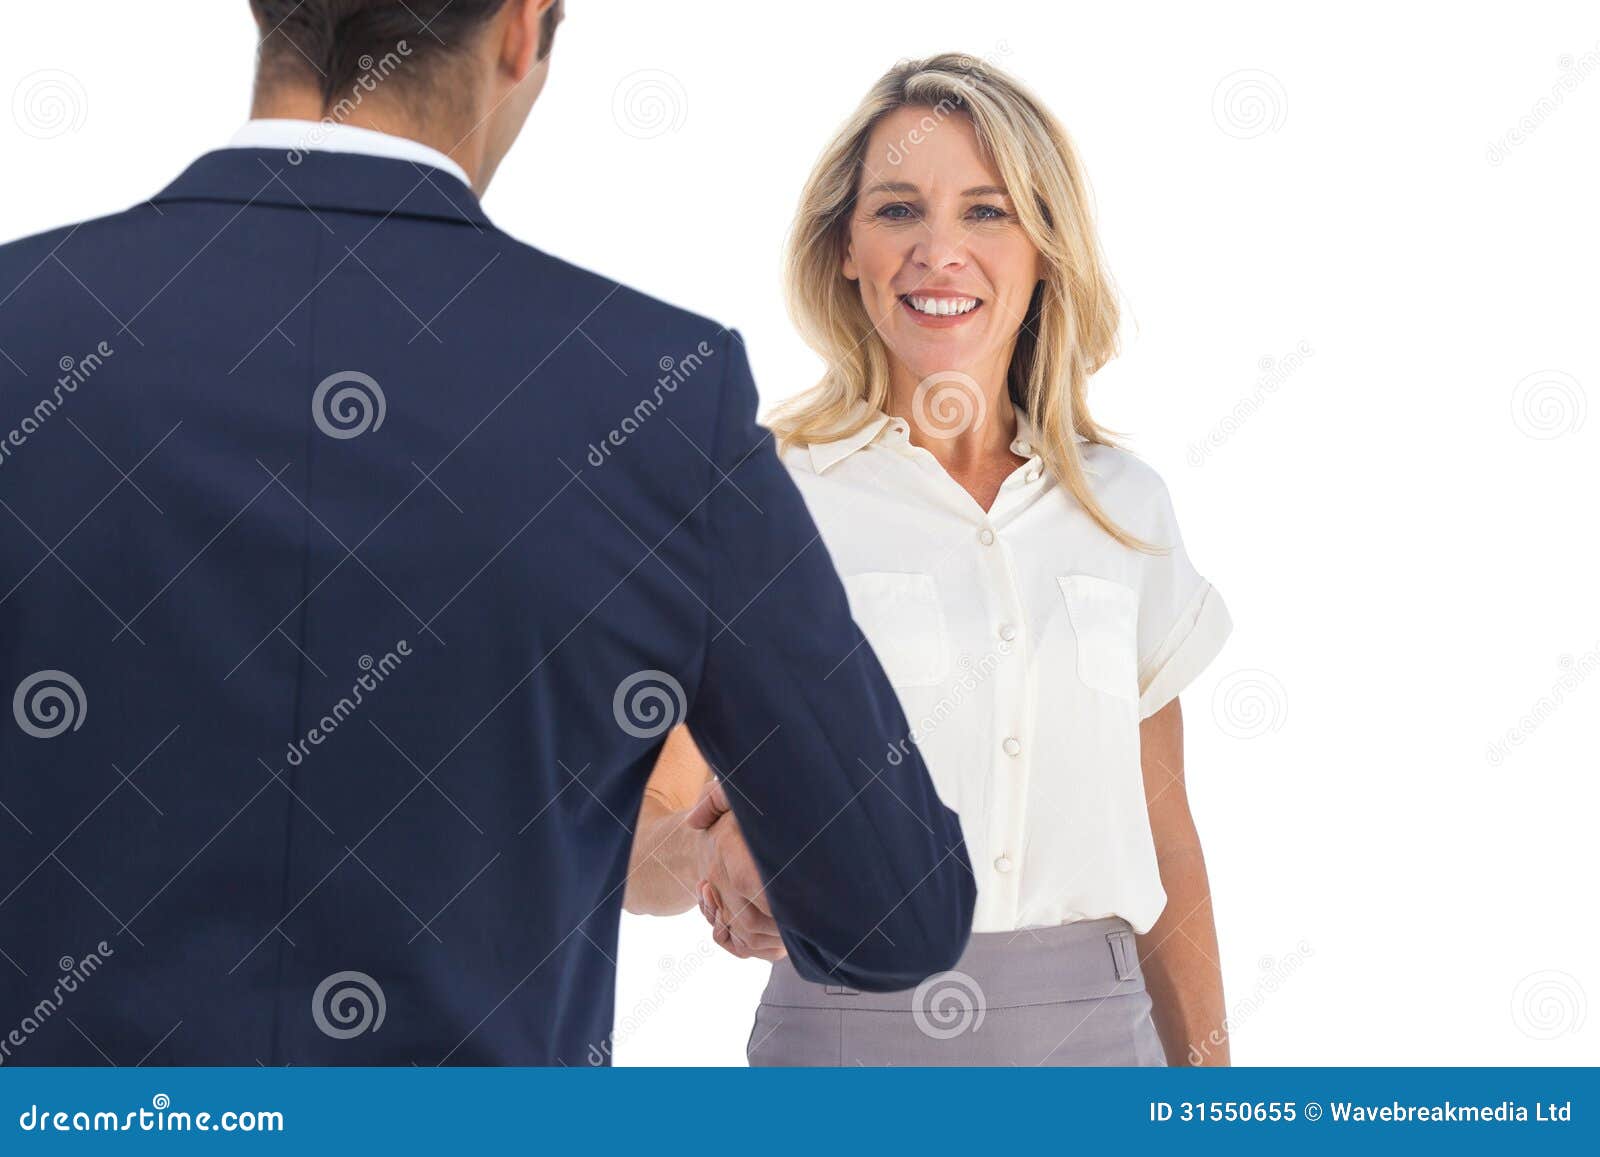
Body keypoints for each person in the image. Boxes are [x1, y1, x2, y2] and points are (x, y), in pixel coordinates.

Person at [0, 2, 974, 1066]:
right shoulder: (651, 391)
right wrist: (751, 838)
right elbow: (896, 910)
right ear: (522, 28)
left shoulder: (24, 325)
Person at [628, 53, 1233, 1066]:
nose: (937, 251)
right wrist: (722, 855)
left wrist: (1216, 1092)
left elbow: (1167, 841)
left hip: (1097, 1048)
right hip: (842, 1045)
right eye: (899, 209)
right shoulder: (764, 502)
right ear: (845, 251)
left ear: (1045, 249)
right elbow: (640, 830)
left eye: (986, 212)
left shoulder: (1126, 510)